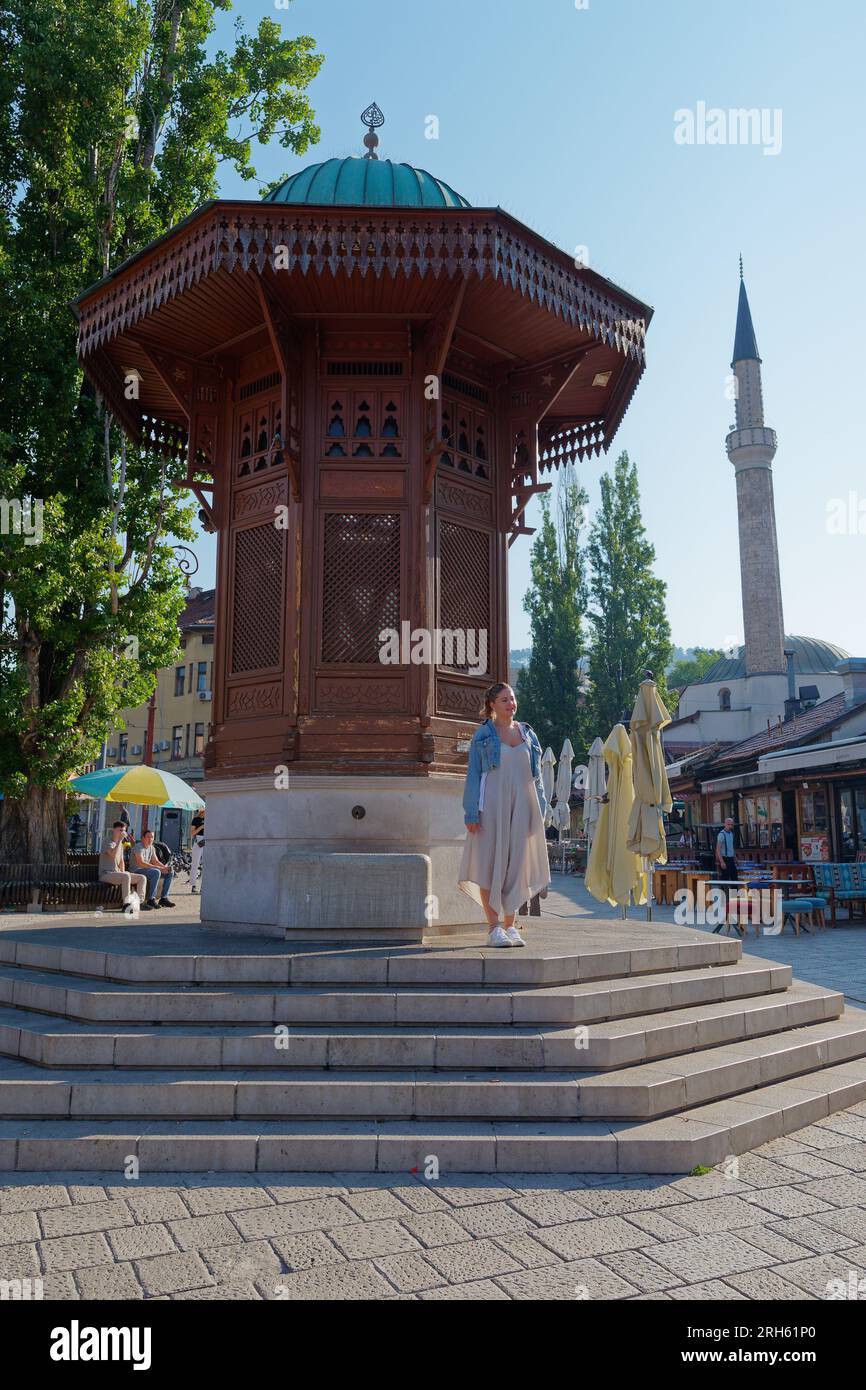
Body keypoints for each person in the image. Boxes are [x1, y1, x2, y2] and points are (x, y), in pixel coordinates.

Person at [458, 681, 550, 948]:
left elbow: (537, 778)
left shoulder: (528, 735)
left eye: (512, 698)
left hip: (523, 805)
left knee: (516, 865)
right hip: (492, 805)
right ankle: (493, 927)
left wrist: (540, 810)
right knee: (490, 863)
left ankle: (510, 926)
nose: (511, 704)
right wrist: (471, 812)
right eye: (505, 700)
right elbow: (473, 775)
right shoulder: (483, 735)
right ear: (492, 705)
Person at [99, 821, 148, 910]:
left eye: (124, 831)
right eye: (120, 830)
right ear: (114, 830)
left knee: (142, 878)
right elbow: (113, 855)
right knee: (126, 876)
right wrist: (120, 841)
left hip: (117, 874)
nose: (123, 833)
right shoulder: (107, 841)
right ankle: (126, 905)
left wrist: (123, 872)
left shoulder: (120, 844)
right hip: (105, 874)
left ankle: (139, 903)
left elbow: (121, 861)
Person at [130, 830, 176, 909]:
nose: (150, 839)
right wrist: (159, 868)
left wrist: (165, 868)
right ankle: (151, 899)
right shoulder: (138, 846)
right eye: (148, 837)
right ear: (143, 838)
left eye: (152, 837)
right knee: (156, 872)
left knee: (170, 873)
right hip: (136, 870)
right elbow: (141, 863)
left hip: (147, 870)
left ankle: (164, 898)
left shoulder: (152, 848)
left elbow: (155, 861)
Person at [714, 816, 742, 936]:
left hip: (730, 859)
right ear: (725, 824)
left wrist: (735, 859)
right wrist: (721, 862)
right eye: (729, 824)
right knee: (725, 881)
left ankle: (734, 900)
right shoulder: (721, 835)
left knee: (735, 880)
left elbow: (731, 848)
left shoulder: (731, 835)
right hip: (724, 859)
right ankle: (726, 901)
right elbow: (718, 850)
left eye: (732, 825)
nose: (731, 826)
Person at [190, 810, 205, 893]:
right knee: (195, 863)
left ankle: (203, 886)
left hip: (207, 841)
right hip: (198, 841)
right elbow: (192, 833)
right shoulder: (196, 819)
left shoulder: (210, 819)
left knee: (206, 865)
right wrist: (201, 827)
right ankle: (193, 885)